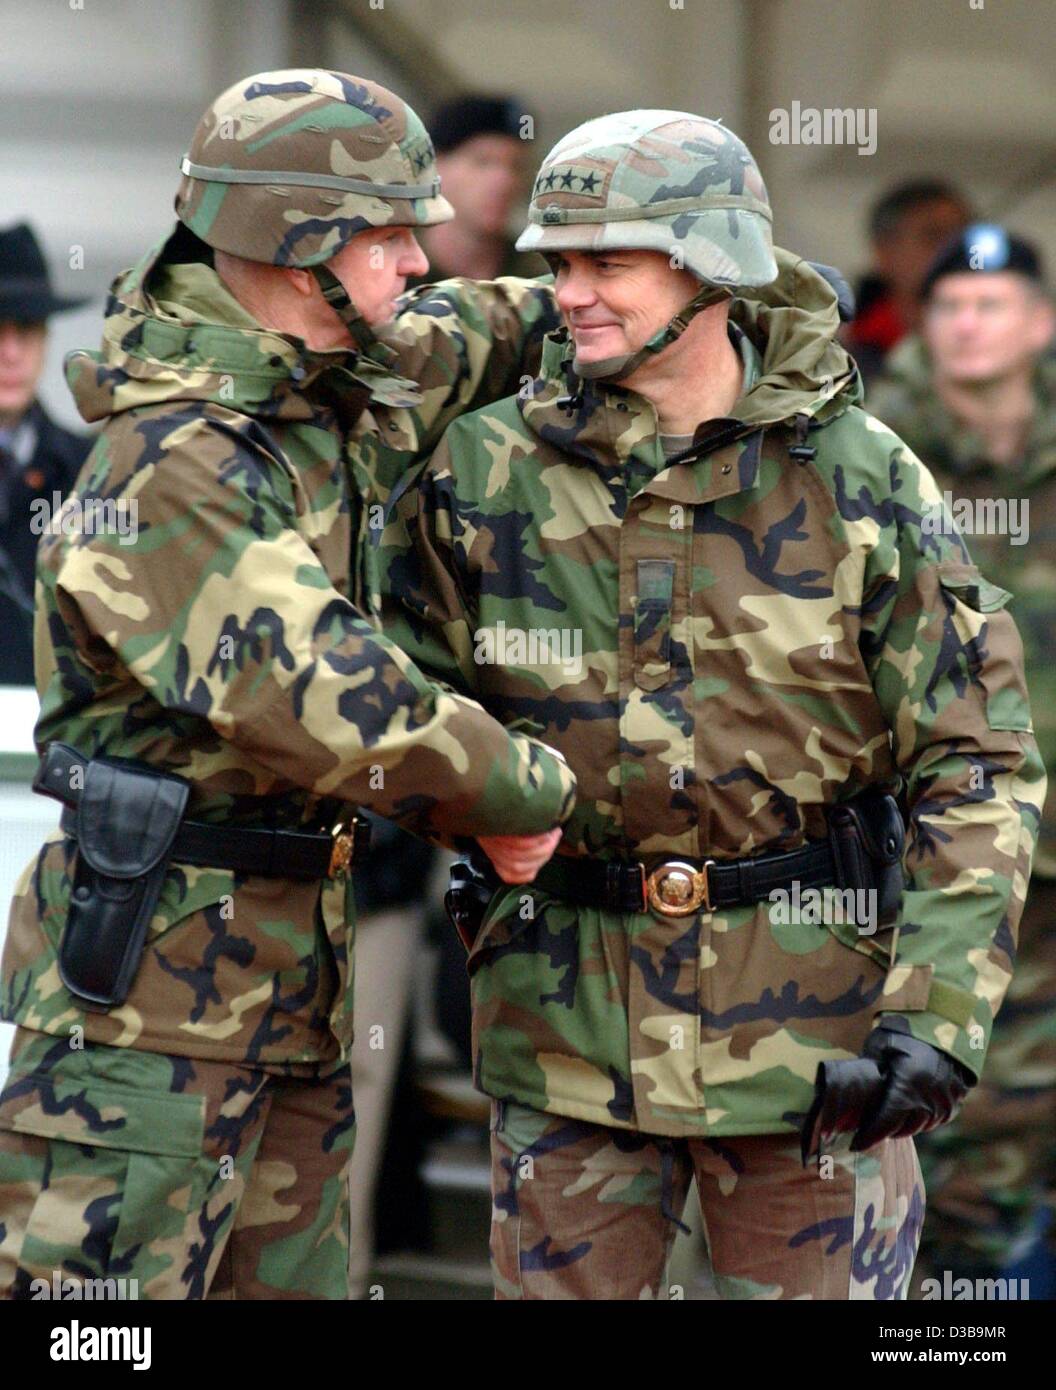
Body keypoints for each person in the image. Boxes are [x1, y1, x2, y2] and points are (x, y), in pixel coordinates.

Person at [379, 109, 1046, 1300]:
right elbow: (384, 698)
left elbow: (976, 762)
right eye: (557, 262)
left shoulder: (862, 476)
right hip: (565, 1039)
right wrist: (467, 802)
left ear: (709, 263)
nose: (568, 294)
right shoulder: (484, 470)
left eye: (605, 262)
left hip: (817, 1060)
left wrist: (936, 1020)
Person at [0, 68, 577, 1302]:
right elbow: (326, 692)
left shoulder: (323, 377)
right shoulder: (169, 461)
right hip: (145, 1035)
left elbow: (474, 332)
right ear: (295, 242)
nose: (418, 258)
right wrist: (517, 788)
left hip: (285, 1002)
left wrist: (671, 287)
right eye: (387, 232)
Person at [869, 225, 1056, 1291]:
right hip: (948, 855)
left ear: (1040, 324)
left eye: (994, 303)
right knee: (955, 1130)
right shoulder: (876, 452)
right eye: (950, 306)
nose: (969, 323)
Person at [0, 223, 92, 685]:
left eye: (28, 328)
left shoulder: (96, 471)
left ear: (47, 339)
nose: (11, 352)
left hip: (53, 744)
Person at [406, 94, 543, 288]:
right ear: (435, 165)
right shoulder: (393, 269)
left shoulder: (539, 277)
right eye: (483, 162)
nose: (504, 180)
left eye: (516, 166)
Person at [847, 179, 972, 384]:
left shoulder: (1007, 342)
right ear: (884, 252)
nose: (954, 250)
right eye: (933, 236)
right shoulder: (841, 353)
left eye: (963, 237)